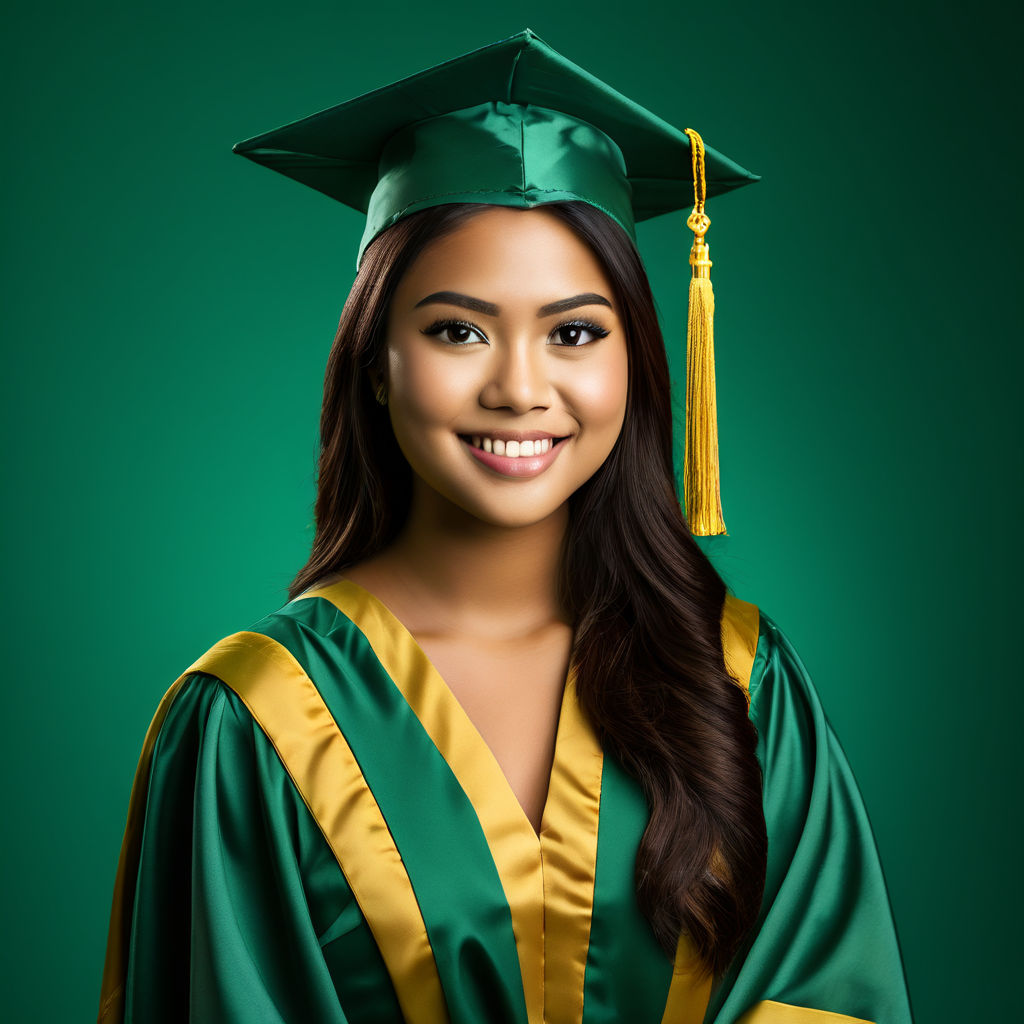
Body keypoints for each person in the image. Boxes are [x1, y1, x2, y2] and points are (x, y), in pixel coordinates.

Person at [96, 28, 914, 1024]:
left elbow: (825, 992)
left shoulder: (740, 681)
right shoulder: (256, 719)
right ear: (375, 362)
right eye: (457, 330)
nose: (520, 388)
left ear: (635, 363)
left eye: (574, 332)